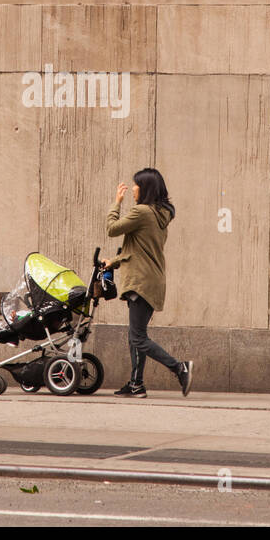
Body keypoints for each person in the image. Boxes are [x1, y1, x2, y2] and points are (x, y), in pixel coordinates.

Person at [106, 168, 193, 398]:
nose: (132, 188)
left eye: (136, 185)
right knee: (136, 334)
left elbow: (111, 229)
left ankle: (179, 367)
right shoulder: (160, 215)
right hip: (151, 280)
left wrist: (116, 203)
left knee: (138, 337)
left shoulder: (143, 212)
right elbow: (138, 251)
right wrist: (112, 262)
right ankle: (136, 384)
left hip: (141, 282)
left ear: (145, 189)